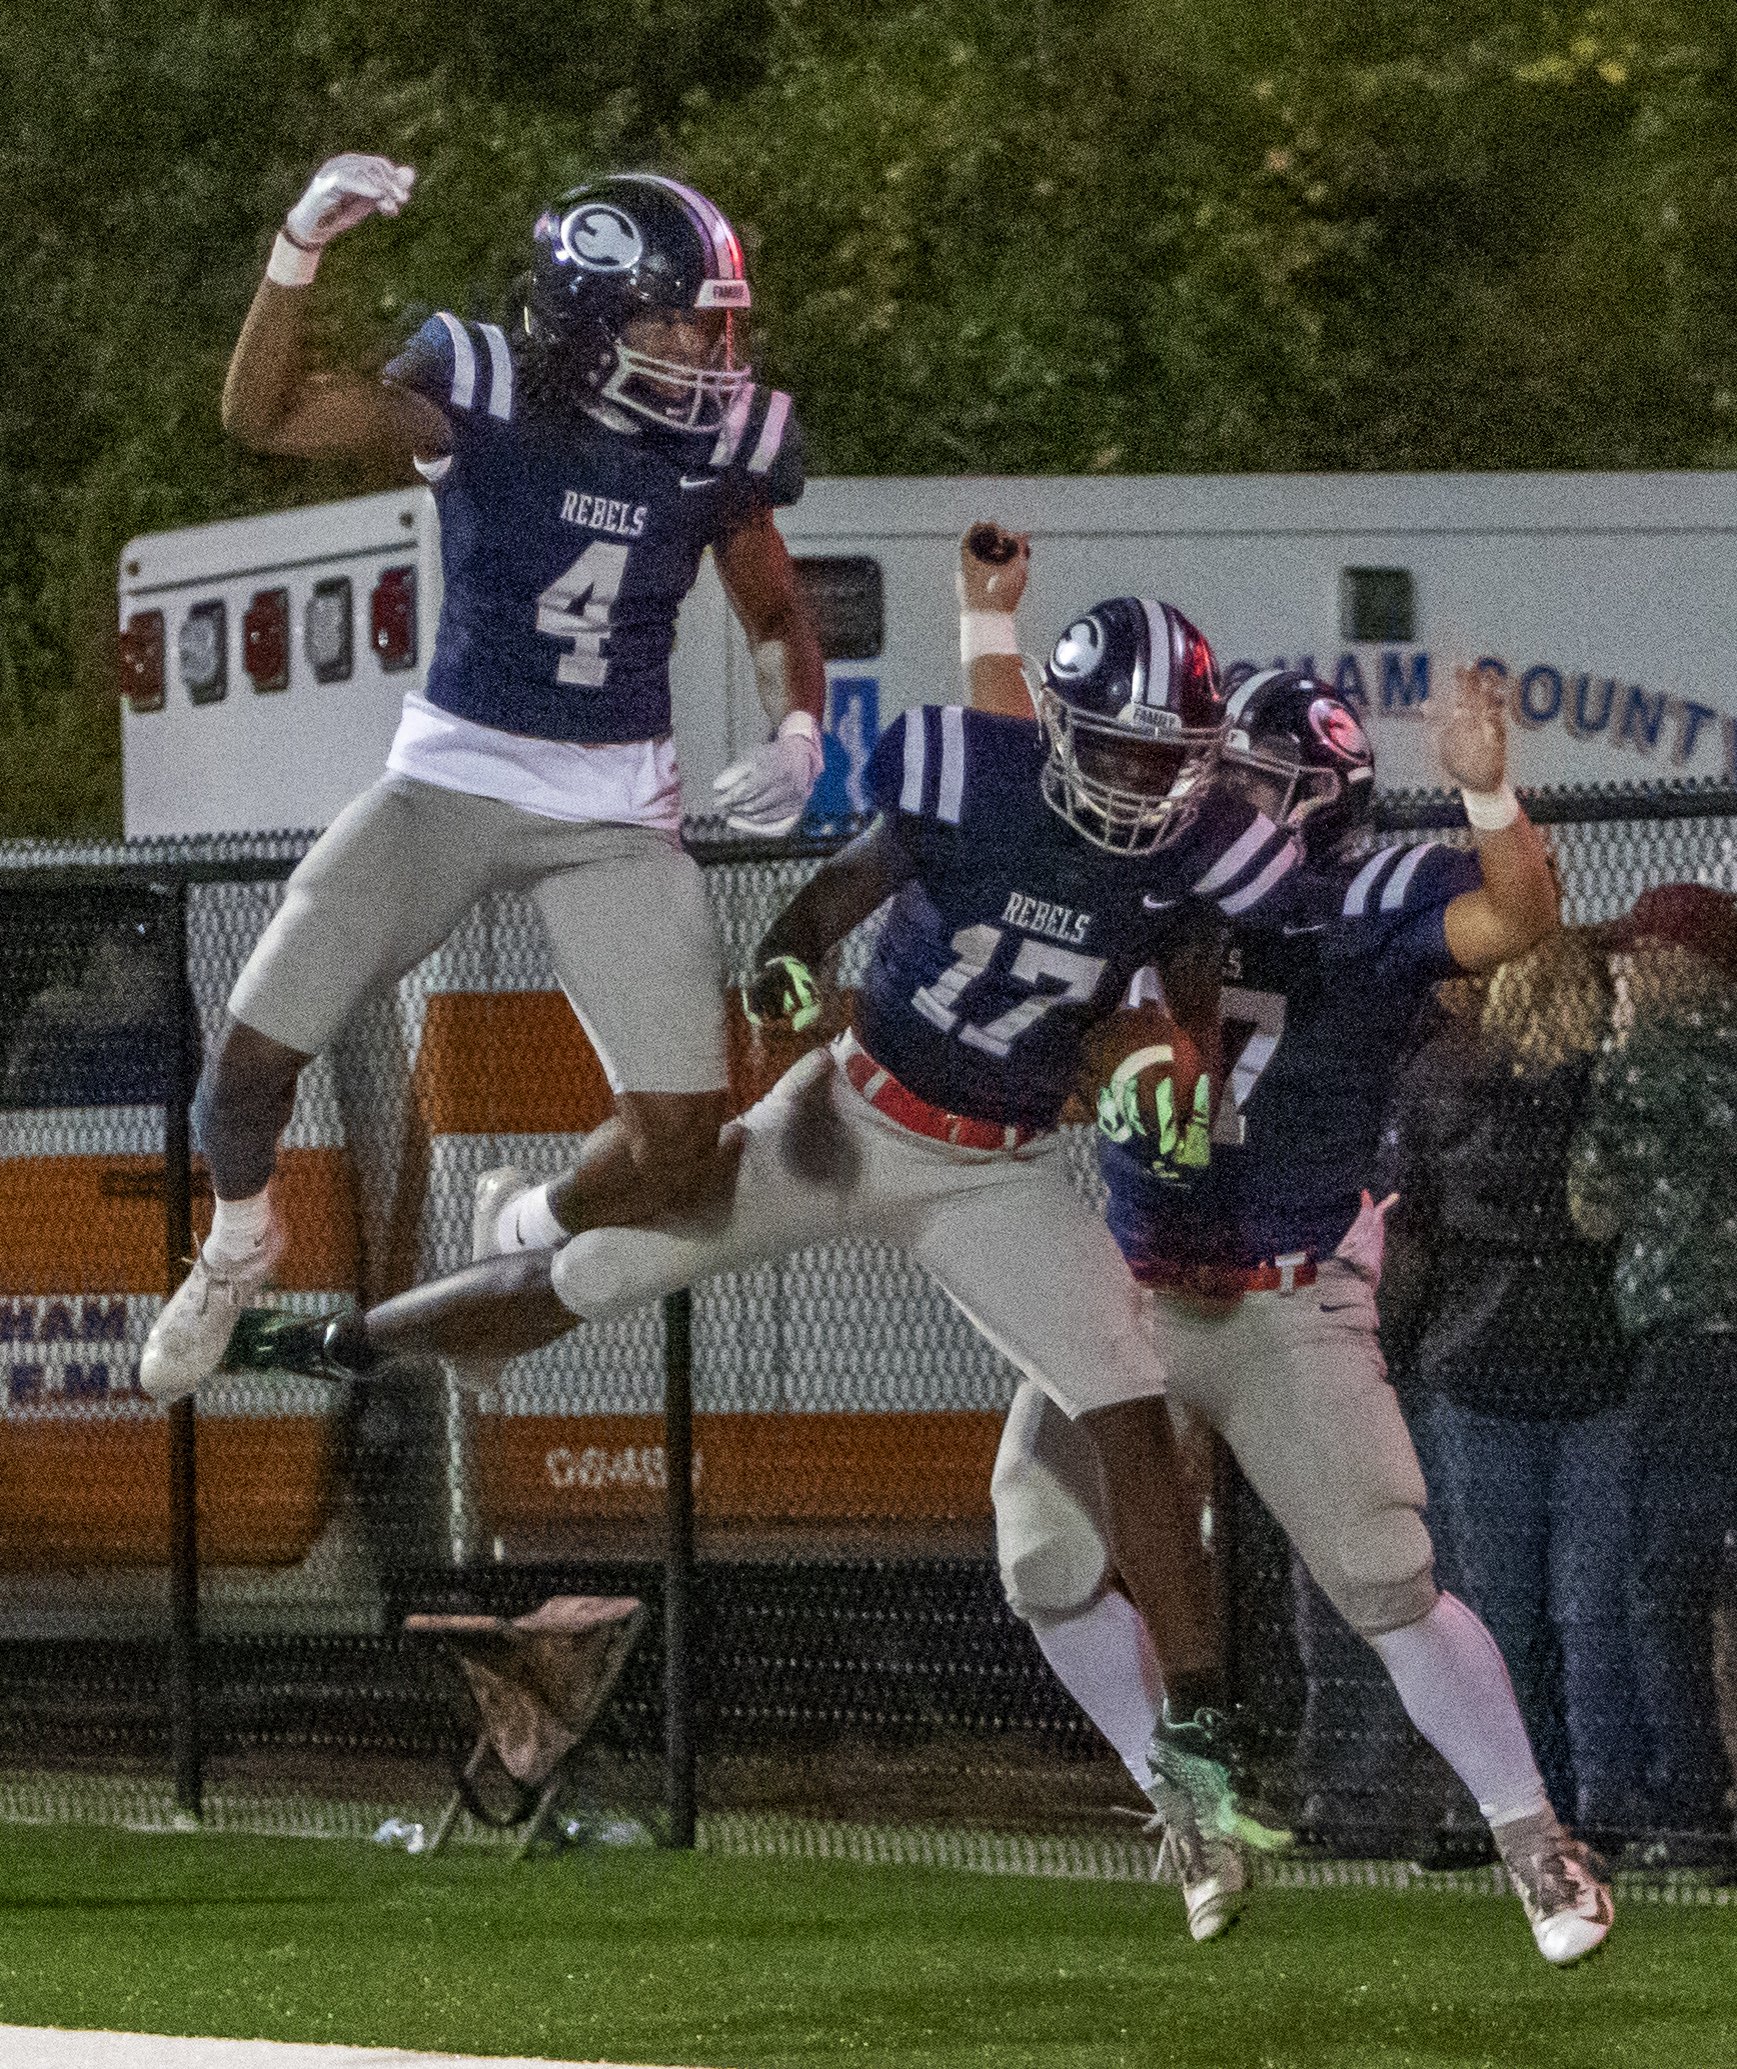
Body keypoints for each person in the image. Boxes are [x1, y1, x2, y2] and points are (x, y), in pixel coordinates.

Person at [234, 579, 1309, 1852]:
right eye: (1118, 745)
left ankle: (1193, 1726)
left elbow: (1176, 1027)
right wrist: (785, 970)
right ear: (1060, 727)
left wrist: (1167, 1082)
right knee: (592, 1277)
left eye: (1166, 757)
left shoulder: (1202, 863)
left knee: (1129, 1405)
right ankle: (342, 1343)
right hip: (847, 1118)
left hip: (996, 1168)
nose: (1140, 780)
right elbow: (811, 917)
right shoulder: (967, 774)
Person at [978, 597, 1613, 1961]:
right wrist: (988, 619)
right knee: (1039, 1556)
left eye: (1248, 789)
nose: (1208, 801)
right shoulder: (1148, 880)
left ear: (1316, 808)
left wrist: (1488, 789)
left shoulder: (1362, 902)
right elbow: (1006, 798)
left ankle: (1532, 1840)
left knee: (1386, 1584)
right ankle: (1189, 1804)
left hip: (1281, 1299)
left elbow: (1519, 916)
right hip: (1135, 1290)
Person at [141, 154, 826, 1404]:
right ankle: (239, 1244)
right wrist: (297, 247)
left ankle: (527, 1218)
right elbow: (266, 417)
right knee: (243, 1067)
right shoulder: (481, 386)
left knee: (685, 1152)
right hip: (449, 781)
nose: (701, 348)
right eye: (669, 319)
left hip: (616, 809)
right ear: (585, 318)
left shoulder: (725, 446)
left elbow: (775, 605)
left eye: (711, 320)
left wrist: (800, 727)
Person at [1391, 928, 1641, 1854]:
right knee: (1594, 1607)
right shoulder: (1605, 1081)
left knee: (1494, 1612)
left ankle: (1513, 1805)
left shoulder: (1439, 1074)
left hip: (1475, 1360)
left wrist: (1393, 1344)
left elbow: (1414, 1222)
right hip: (1596, 1363)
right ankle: (1607, 1803)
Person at [1569, 883, 1737, 1870]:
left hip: (1683, 1343)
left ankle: (1696, 1804)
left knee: (1666, 1575)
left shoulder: (1647, 1059)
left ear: (1675, 962)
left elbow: (1592, 1204)